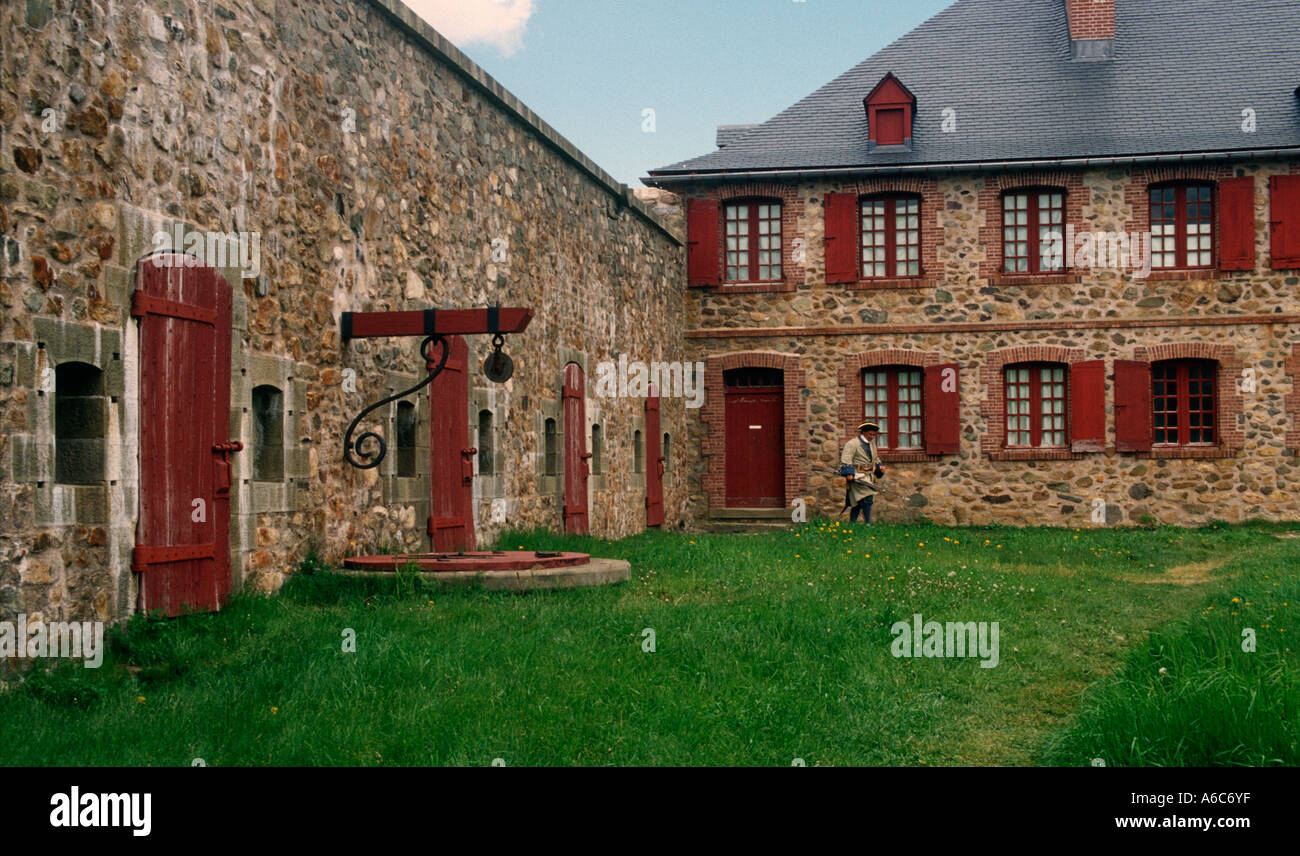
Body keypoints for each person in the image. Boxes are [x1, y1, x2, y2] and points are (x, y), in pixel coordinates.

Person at [839, 420, 886, 524]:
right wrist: (849, 473)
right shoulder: (852, 444)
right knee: (868, 497)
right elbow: (846, 459)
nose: (872, 436)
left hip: (869, 476)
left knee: (859, 502)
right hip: (858, 476)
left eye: (874, 435)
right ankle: (868, 523)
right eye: (870, 434)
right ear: (864, 432)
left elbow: (875, 458)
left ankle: (852, 524)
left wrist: (879, 466)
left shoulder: (872, 444)